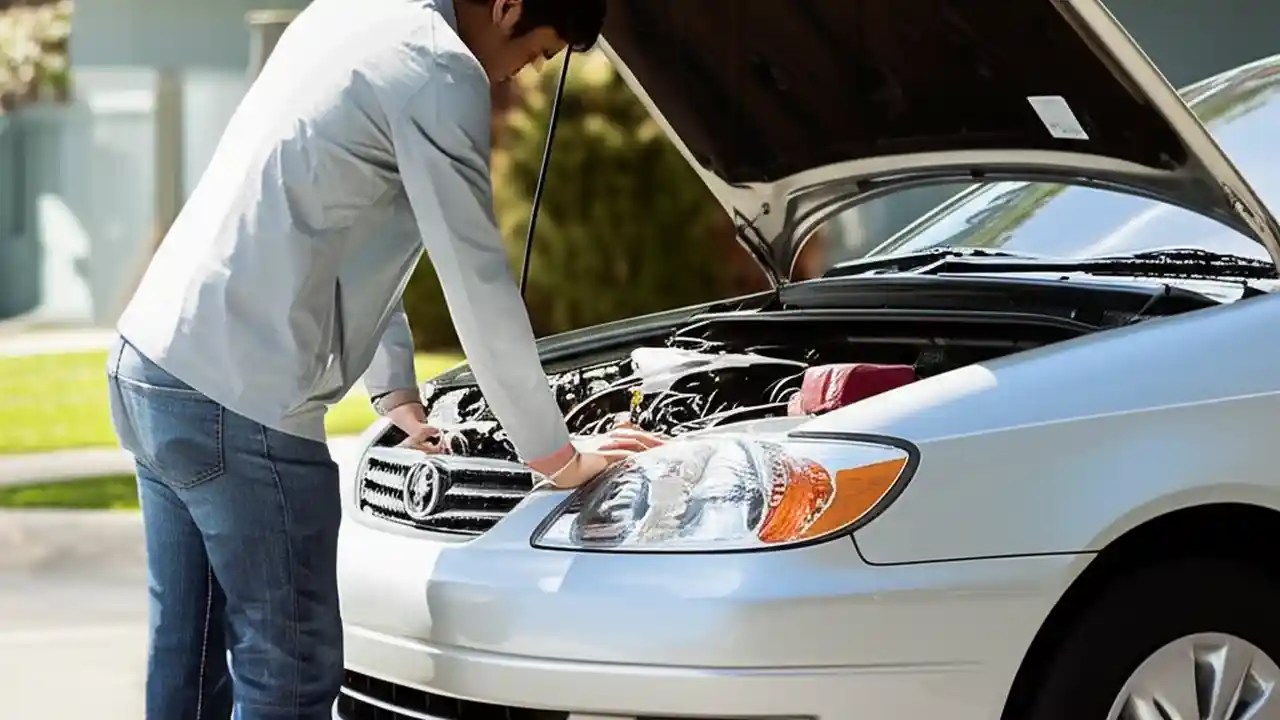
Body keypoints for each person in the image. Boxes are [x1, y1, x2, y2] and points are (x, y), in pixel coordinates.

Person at [104, 1, 662, 717]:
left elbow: (348, 225)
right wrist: (557, 456)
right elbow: (476, 277)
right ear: (508, 7)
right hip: (239, 400)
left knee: (187, 661)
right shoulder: (439, 66)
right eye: (538, 52)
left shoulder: (351, 16)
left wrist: (395, 391)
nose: (523, 72)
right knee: (291, 669)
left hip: (152, 364)